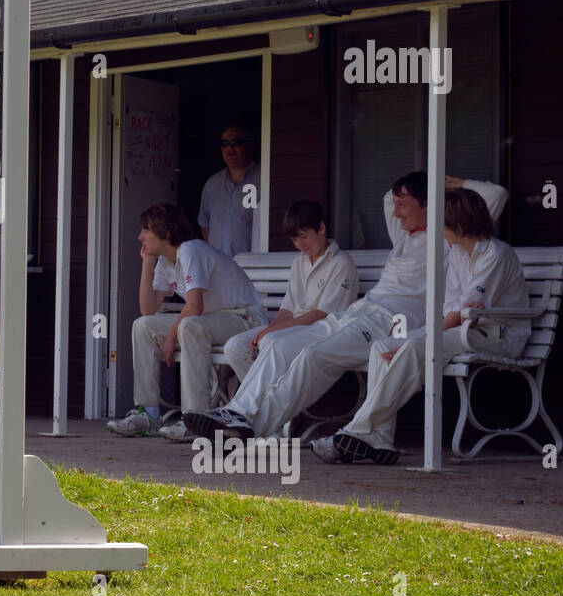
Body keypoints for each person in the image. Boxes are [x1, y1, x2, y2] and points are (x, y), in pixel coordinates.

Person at [183, 174, 509, 441]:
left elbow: (495, 196)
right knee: (279, 344)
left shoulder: (446, 239)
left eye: (403, 205)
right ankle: (238, 412)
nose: (394, 212)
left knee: (313, 355)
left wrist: (445, 183)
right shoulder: (405, 234)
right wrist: (414, 192)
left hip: (391, 322)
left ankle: (254, 426)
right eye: (396, 205)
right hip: (358, 312)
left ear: (429, 204)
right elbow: (386, 198)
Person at [312, 187, 529, 465]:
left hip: (499, 335)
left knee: (412, 346)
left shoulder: (496, 255)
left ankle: (355, 430)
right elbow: (452, 309)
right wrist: (430, 329)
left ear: (459, 225)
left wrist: (425, 333)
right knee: (382, 347)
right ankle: (379, 437)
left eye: (442, 224)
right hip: (463, 330)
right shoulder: (458, 254)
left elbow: (465, 312)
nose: (437, 230)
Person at [106, 202, 266, 442]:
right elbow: (148, 309)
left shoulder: (191, 249)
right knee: (143, 325)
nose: (140, 236)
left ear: (166, 233)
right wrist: (147, 264)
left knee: (189, 326)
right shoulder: (164, 261)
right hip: (211, 319)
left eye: (146, 230)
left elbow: (195, 306)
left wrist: (171, 336)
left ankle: (194, 417)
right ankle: (148, 414)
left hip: (243, 318)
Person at [221, 200, 359, 384]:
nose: (300, 244)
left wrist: (273, 332)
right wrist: (268, 329)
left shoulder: (341, 263)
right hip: (292, 328)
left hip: (321, 331)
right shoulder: (299, 263)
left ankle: (262, 405)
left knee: (271, 342)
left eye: (303, 237)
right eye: (294, 240)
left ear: (321, 228)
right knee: (235, 346)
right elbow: (288, 308)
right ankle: (264, 402)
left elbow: (322, 314)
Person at [198, 123, 261, 257]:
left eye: (236, 142)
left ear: (250, 145)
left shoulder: (264, 180)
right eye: (224, 143)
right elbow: (204, 224)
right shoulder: (212, 184)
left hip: (252, 267)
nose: (230, 149)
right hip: (219, 267)